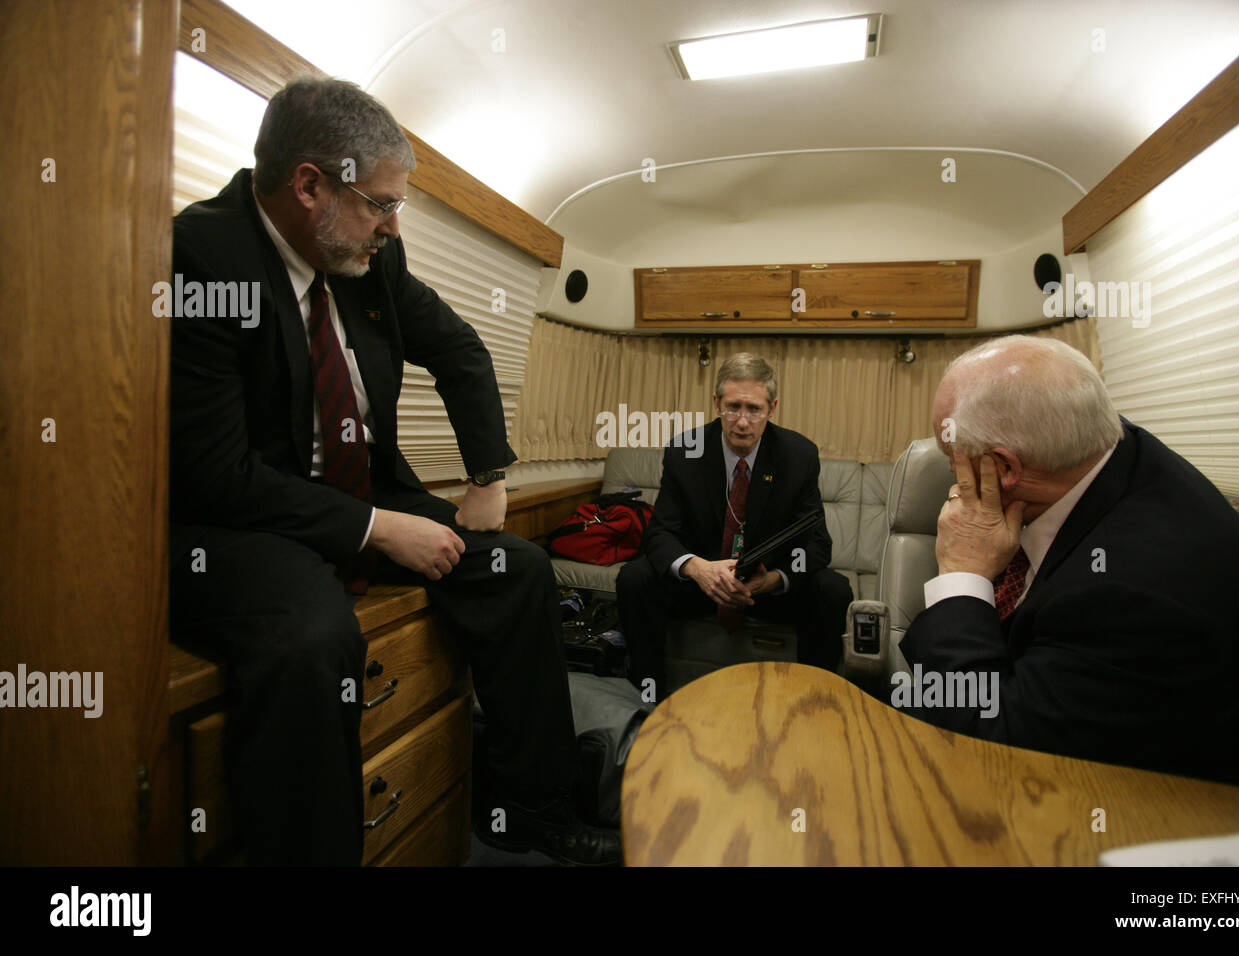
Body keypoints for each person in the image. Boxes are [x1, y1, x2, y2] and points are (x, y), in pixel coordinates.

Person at [168, 77, 619, 865]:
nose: (393, 224)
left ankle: (529, 806)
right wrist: (377, 530)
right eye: (381, 203)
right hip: (245, 524)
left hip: (364, 491)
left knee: (520, 568)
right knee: (311, 640)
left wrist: (487, 476)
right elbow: (214, 472)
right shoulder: (202, 254)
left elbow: (461, 351)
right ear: (311, 185)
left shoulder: (373, 260)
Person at [899, 335, 1239, 793]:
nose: (951, 472)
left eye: (952, 456)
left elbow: (986, 748)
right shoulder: (1102, 447)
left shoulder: (1128, 593)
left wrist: (962, 574)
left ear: (1003, 469)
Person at [616, 353, 852, 700]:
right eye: (733, 407)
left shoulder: (798, 455)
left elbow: (816, 544)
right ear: (716, 403)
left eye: (754, 409)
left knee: (833, 590)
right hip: (701, 583)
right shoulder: (685, 451)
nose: (743, 421)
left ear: (772, 408)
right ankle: (648, 698)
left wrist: (772, 580)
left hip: (763, 588)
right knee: (635, 579)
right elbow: (660, 533)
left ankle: (813, 701)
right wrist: (697, 569)